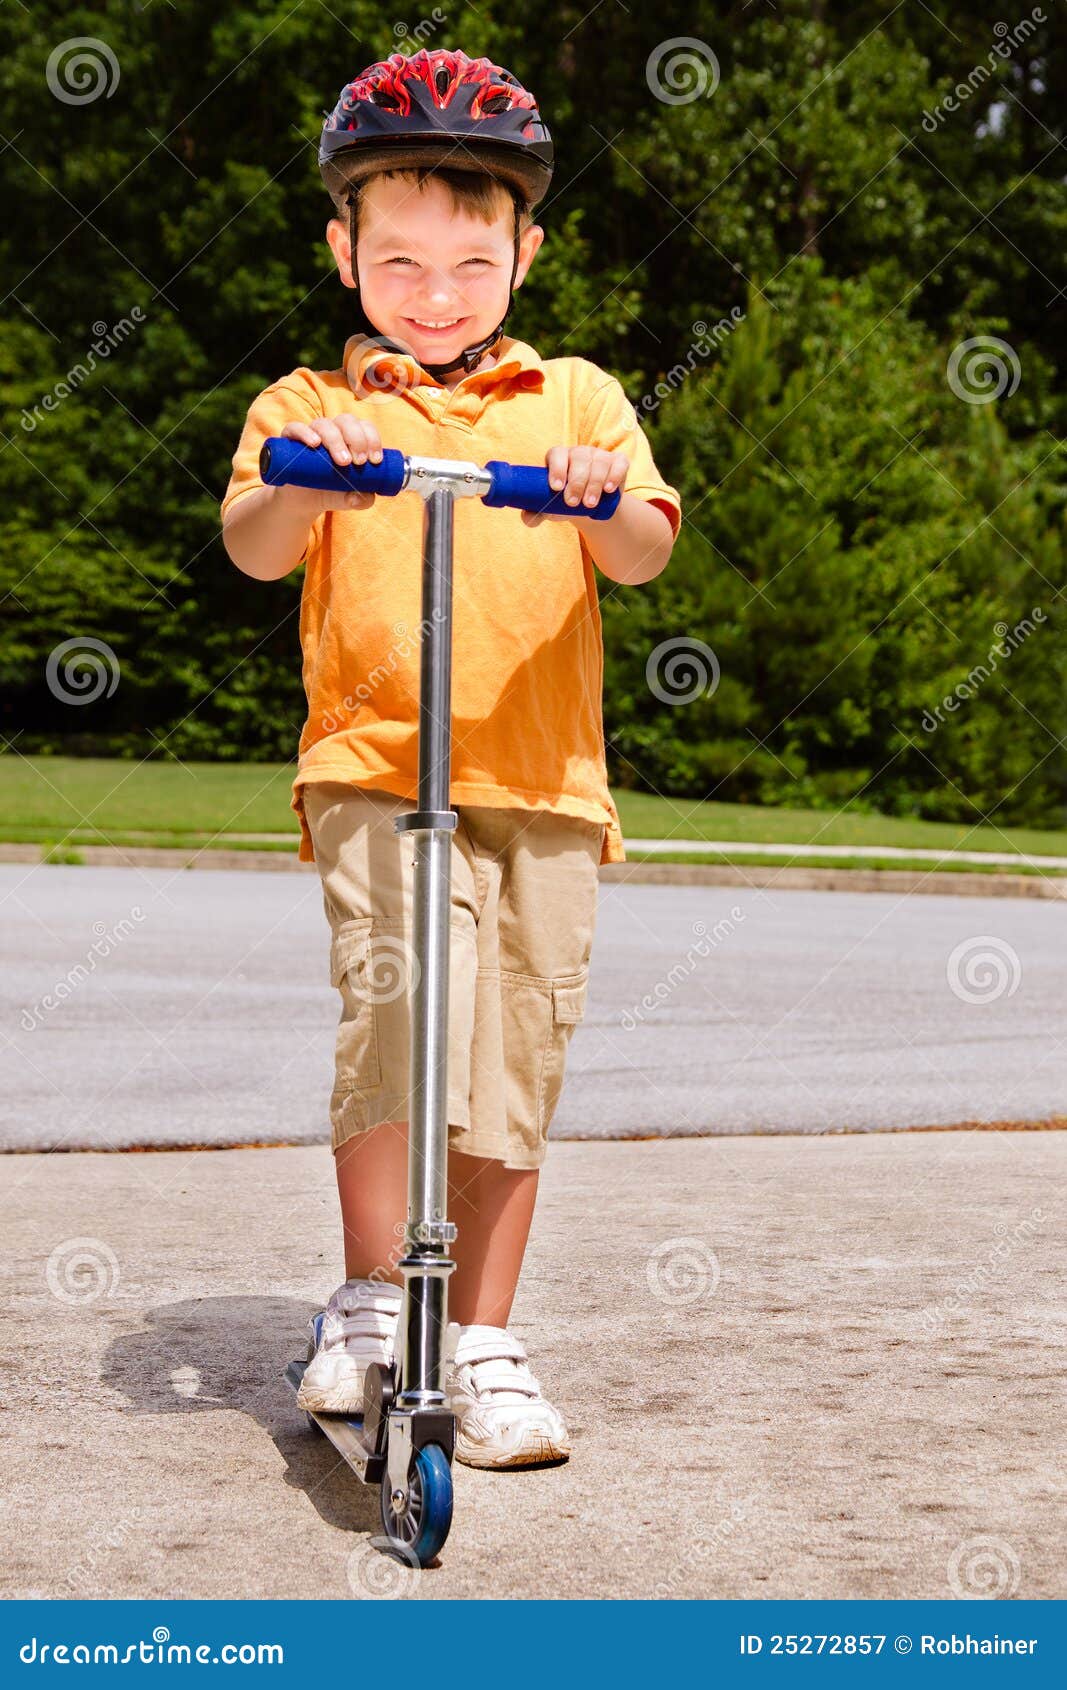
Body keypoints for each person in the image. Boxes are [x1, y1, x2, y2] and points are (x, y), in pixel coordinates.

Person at [221, 48, 681, 1469]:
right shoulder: (307, 402)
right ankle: (370, 1304)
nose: (435, 293)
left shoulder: (580, 398)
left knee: (519, 1053)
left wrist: (599, 500)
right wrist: (318, 465)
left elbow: (647, 551)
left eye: (472, 263)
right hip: (375, 764)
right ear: (344, 251)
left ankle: (479, 1335)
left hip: (545, 783)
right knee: (404, 1013)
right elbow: (252, 543)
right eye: (402, 259)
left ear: (526, 253)